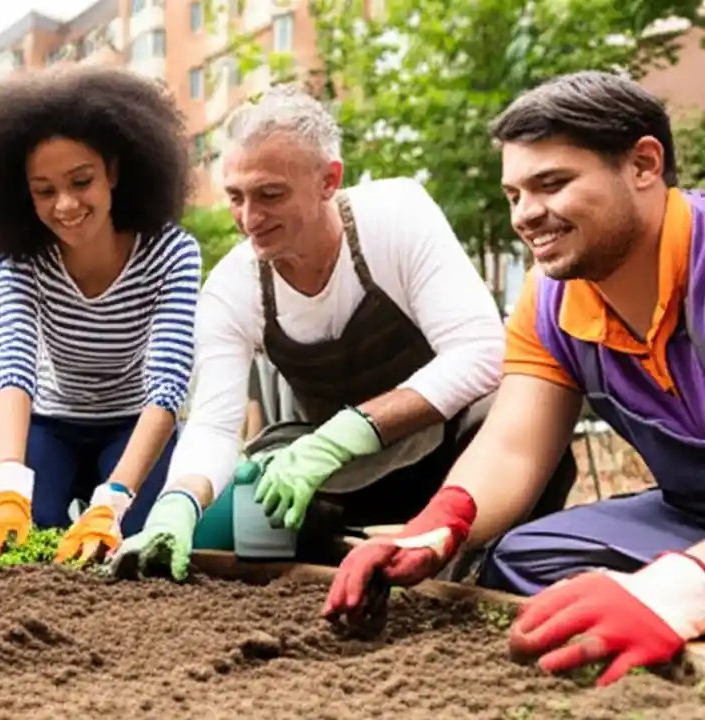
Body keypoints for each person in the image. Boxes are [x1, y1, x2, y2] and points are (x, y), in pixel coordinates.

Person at [323, 70, 705, 687]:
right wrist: (432, 530)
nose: (527, 215)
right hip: (691, 512)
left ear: (643, 164)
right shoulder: (550, 299)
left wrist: (681, 588)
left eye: (551, 184)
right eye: (514, 195)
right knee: (523, 562)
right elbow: (512, 447)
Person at [111, 84, 576, 582]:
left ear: (329, 180)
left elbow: (482, 351)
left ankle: (488, 570)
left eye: (270, 195)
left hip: (446, 449)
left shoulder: (396, 216)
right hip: (332, 469)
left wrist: (347, 433)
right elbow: (215, 425)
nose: (250, 219)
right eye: (236, 198)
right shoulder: (233, 285)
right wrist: (177, 504)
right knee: (254, 493)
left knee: (506, 412)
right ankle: (336, 565)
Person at [0, 65, 202, 565]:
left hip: (133, 423)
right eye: (44, 190)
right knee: (22, 539)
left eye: (81, 181)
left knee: (135, 543)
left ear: (114, 172)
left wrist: (114, 500)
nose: (65, 204)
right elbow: (14, 368)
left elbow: (168, 383)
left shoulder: (173, 253)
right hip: (52, 422)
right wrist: (10, 488)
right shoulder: (23, 262)